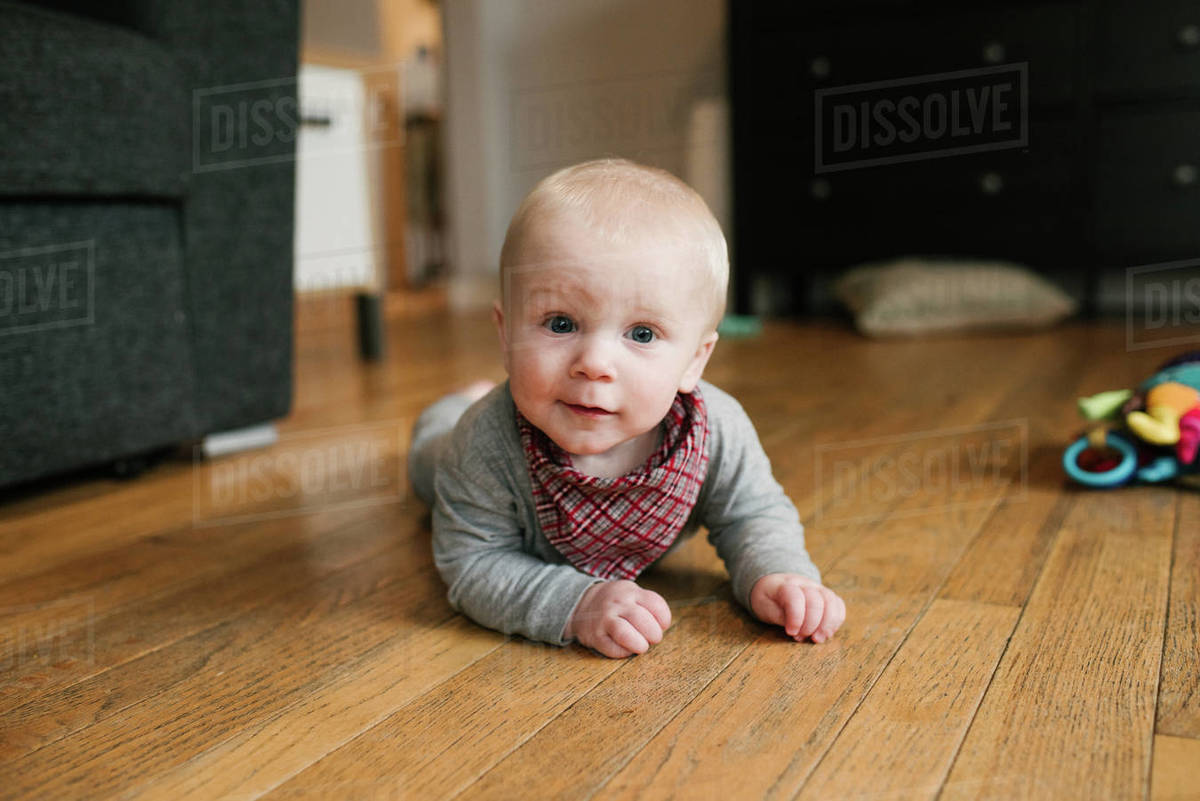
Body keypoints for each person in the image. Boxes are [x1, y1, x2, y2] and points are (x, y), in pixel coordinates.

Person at [408, 158, 846, 658]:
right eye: (560, 323)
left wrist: (779, 573)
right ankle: (444, 410)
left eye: (641, 334)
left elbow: (752, 514)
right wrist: (577, 603)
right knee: (430, 461)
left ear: (694, 361)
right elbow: (473, 564)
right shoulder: (483, 440)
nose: (594, 364)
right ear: (505, 333)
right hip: (451, 458)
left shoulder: (715, 432)